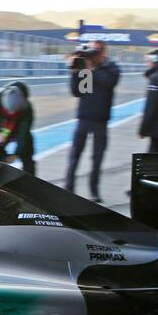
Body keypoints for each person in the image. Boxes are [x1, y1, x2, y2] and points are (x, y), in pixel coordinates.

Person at [64, 40, 120, 201]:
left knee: (97, 159)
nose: (92, 54)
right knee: (74, 156)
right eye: (91, 51)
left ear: (103, 52)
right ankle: (68, 189)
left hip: (101, 121)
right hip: (84, 118)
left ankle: (94, 192)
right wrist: (75, 73)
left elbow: (108, 83)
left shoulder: (111, 68)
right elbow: (79, 92)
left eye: (96, 51)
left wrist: (91, 69)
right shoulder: (86, 69)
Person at [0, 80, 35, 174]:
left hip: (19, 127)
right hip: (4, 128)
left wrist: (16, 154)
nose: (11, 113)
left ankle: (30, 177)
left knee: (27, 149)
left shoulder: (27, 108)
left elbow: (23, 134)